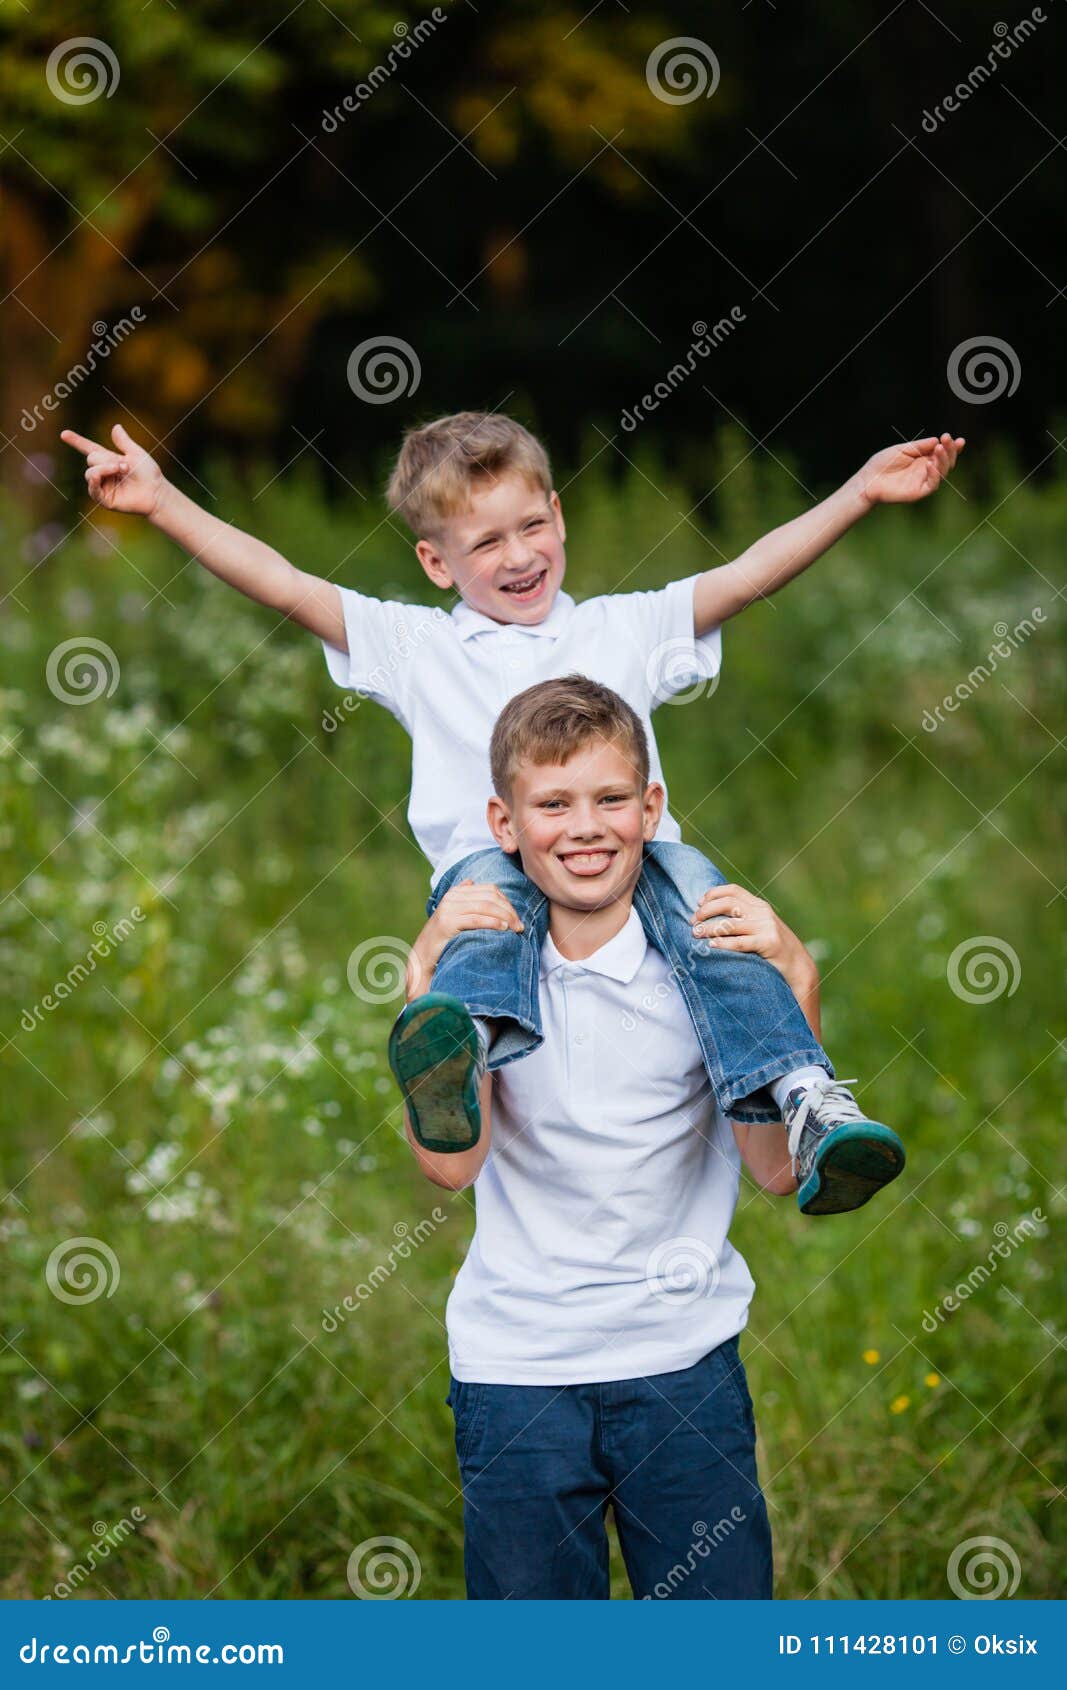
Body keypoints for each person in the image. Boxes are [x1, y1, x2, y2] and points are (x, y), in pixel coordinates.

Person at [60, 412, 963, 1210]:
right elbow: (286, 583)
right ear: (435, 561)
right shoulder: (418, 645)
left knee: (714, 921)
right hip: (490, 867)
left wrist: (857, 494)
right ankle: (458, 1057)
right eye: (485, 543)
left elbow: (748, 574)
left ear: (560, 517)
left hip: (635, 856)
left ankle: (802, 1099)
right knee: (484, 929)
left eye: (532, 526)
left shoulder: (624, 627)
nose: (519, 556)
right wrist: (164, 503)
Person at [399, 676, 825, 1600]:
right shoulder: (481, 973)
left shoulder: (708, 972)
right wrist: (422, 978)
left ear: (651, 809)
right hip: (518, 1369)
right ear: (504, 825)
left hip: (680, 1363)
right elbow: (446, 1166)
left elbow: (776, 1172)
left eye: (609, 800)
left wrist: (794, 971)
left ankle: (821, 1096)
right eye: (552, 805)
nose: (584, 827)